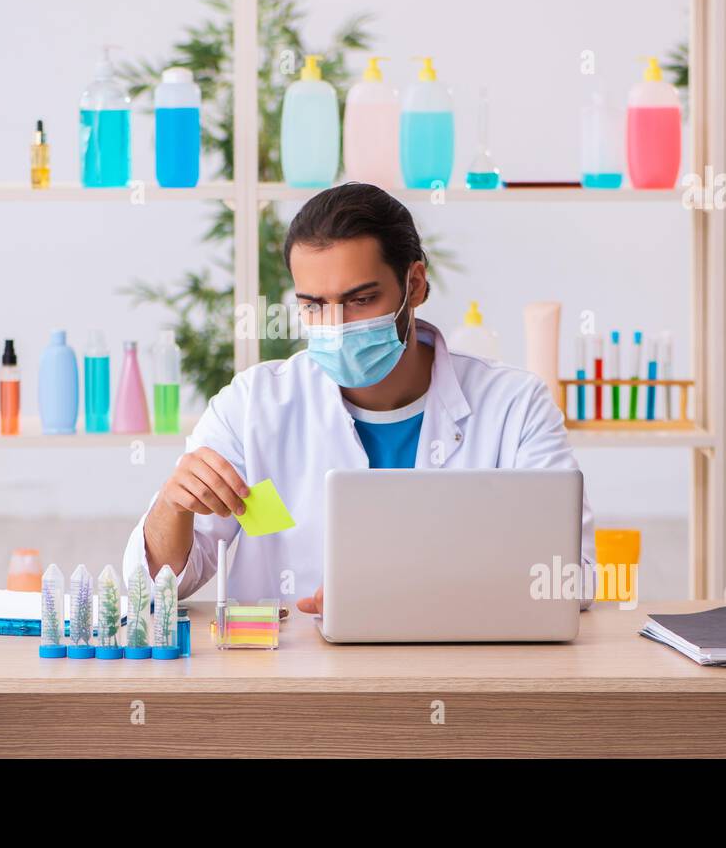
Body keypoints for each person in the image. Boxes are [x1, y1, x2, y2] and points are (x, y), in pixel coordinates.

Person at [123, 183, 594, 614]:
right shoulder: (251, 406)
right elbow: (154, 590)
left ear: (414, 284)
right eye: (314, 305)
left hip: (459, 672)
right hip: (290, 684)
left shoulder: (514, 405)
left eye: (360, 299)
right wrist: (173, 505)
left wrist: (404, 595)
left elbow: (571, 579)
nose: (336, 325)